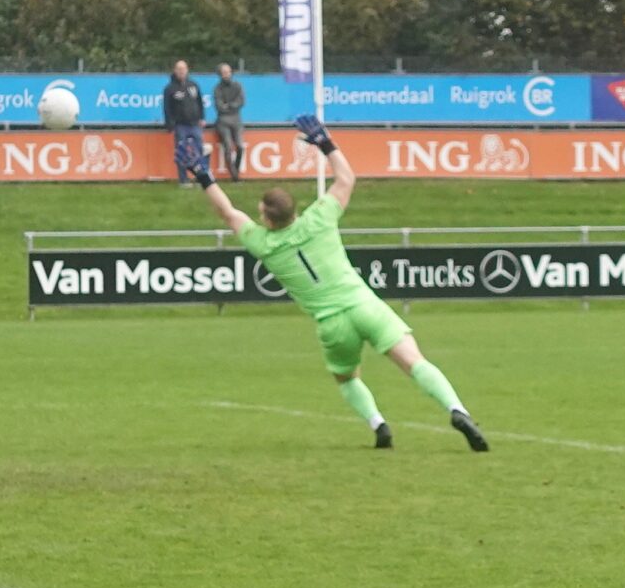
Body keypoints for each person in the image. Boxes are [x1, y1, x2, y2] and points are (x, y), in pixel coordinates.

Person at [181, 117, 487, 451]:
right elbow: (346, 178)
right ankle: (457, 409)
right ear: (294, 210)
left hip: (332, 323)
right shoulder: (319, 218)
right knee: (415, 362)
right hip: (364, 305)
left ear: (267, 219)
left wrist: (205, 177)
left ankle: (379, 424)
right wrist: (324, 142)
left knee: (346, 378)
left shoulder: (263, 243)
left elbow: (228, 213)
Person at [162, 60, 205, 186]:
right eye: (179, 69)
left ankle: (200, 178)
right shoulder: (170, 88)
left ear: (187, 70)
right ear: (175, 71)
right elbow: (166, 107)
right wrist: (170, 125)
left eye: (184, 69)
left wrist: (202, 117)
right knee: (182, 152)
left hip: (195, 124)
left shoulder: (193, 85)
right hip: (180, 125)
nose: (181, 71)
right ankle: (183, 179)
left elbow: (200, 102)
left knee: (199, 151)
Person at [211, 63, 247, 182]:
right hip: (223, 121)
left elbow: (241, 101)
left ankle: (235, 171)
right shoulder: (217, 88)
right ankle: (234, 176)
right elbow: (219, 106)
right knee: (228, 147)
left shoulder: (237, 85)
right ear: (220, 74)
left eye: (228, 72)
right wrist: (231, 106)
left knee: (240, 146)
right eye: (224, 72)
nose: (227, 74)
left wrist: (230, 105)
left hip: (236, 119)